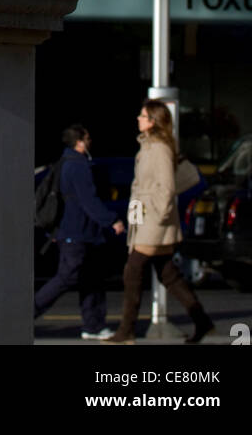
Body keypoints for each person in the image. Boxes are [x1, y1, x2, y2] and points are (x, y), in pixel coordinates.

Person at [105, 100, 214, 345]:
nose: (138, 119)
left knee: (132, 271)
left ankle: (126, 331)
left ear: (153, 121)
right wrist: (134, 222)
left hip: (154, 222)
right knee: (168, 275)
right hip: (146, 220)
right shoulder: (148, 147)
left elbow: (166, 188)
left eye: (142, 115)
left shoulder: (160, 149)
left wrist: (156, 216)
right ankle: (202, 322)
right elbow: (139, 188)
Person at [34, 124, 126, 340]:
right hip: (76, 232)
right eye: (88, 137)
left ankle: (93, 326)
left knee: (92, 277)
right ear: (80, 142)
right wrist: (111, 220)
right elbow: (88, 200)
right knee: (67, 276)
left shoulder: (66, 162)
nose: (91, 141)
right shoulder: (78, 166)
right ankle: (28, 311)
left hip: (81, 232)